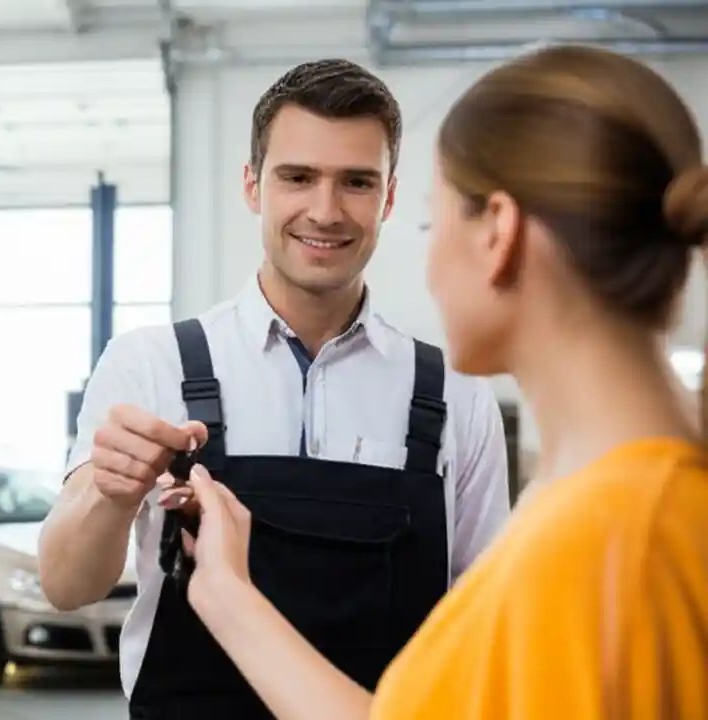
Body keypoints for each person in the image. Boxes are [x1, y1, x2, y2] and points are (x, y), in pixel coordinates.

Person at [176, 43, 708, 719]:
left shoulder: (603, 541)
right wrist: (225, 593)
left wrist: (224, 593)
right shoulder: (627, 506)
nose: (429, 265)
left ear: (499, 234)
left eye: (434, 221)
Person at [38, 59, 513, 718]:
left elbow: (486, 631)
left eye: (356, 182)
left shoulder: (457, 395)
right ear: (252, 185)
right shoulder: (149, 365)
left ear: (388, 198)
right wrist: (109, 496)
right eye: (298, 177)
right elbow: (67, 587)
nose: (325, 211)